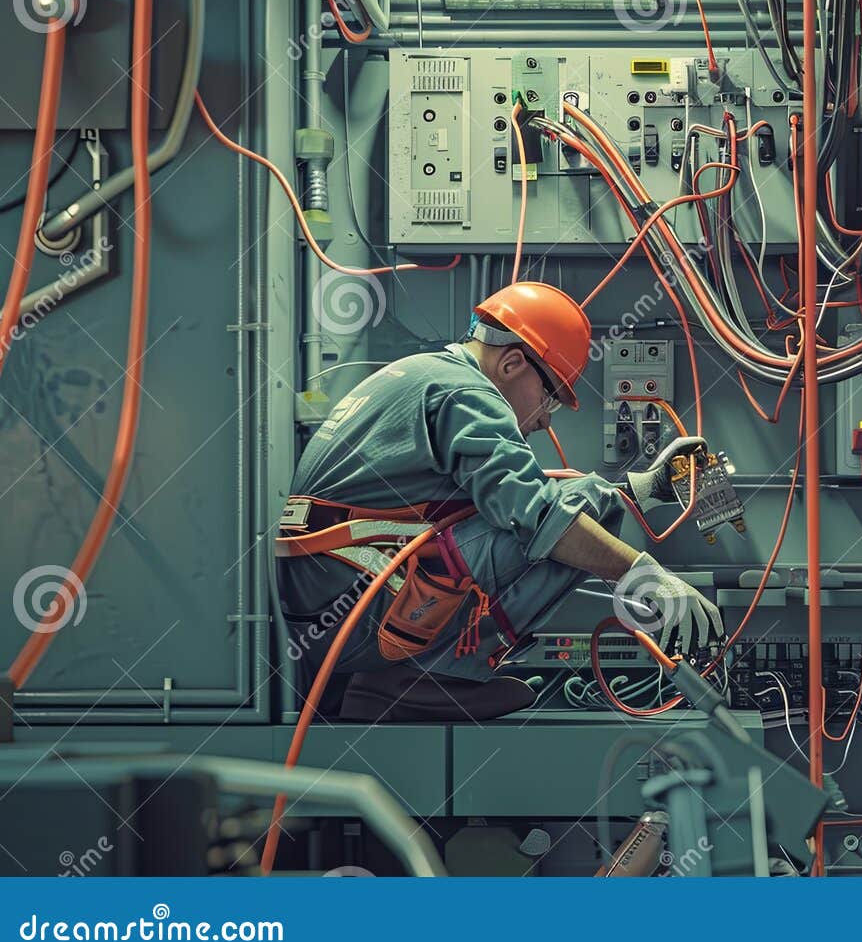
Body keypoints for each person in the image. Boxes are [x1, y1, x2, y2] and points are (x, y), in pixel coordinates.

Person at [274, 281, 723, 721]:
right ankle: (421, 676)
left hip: (336, 608)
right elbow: (539, 514)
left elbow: (511, 496)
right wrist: (645, 575)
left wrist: (646, 488)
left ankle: (418, 674)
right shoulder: (468, 394)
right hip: (359, 621)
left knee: (579, 503)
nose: (546, 418)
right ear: (511, 363)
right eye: (549, 396)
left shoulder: (429, 375)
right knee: (586, 507)